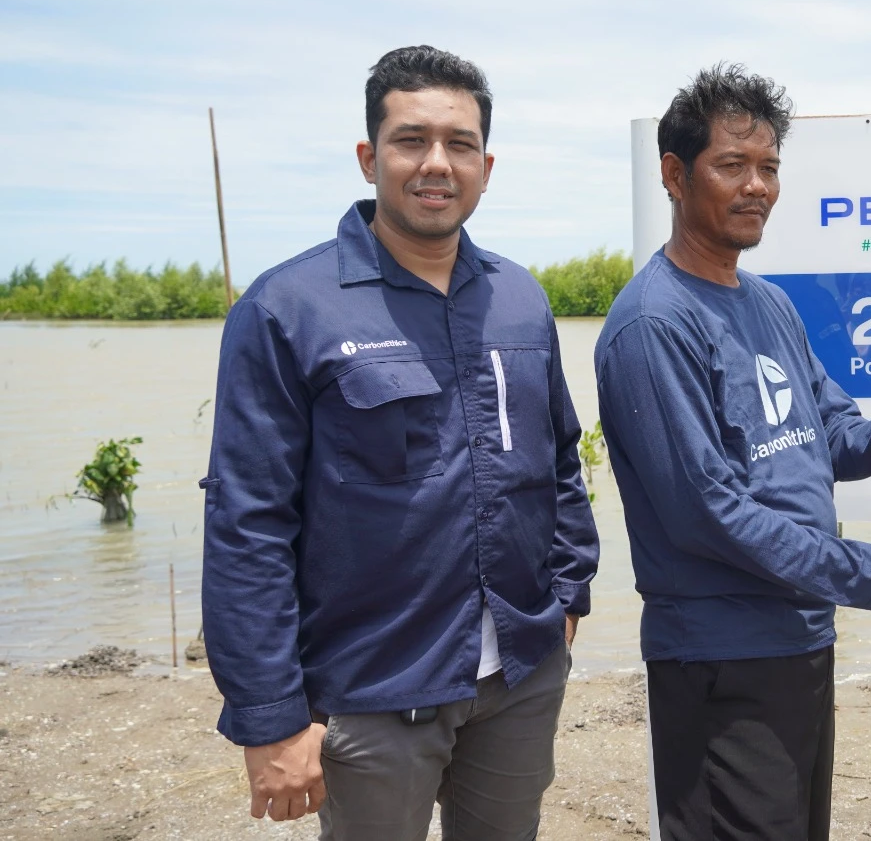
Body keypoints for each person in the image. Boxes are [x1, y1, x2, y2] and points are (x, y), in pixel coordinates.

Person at [201, 45, 599, 840]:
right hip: (374, 687)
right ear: (368, 157)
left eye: (458, 145)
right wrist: (271, 716)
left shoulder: (519, 298)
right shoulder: (289, 309)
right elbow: (247, 524)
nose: (436, 164)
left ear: (486, 164)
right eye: (411, 140)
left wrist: (568, 594)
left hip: (520, 674)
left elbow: (558, 460)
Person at [594, 64, 871, 841]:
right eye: (732, 165)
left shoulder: (769, 303)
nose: (757, 186)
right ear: (674, 174)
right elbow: (707, 514)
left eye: (768, 167)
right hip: (718, 654)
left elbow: (827, 438)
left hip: (798, 637)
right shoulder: (652, 326)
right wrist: (867, 570)